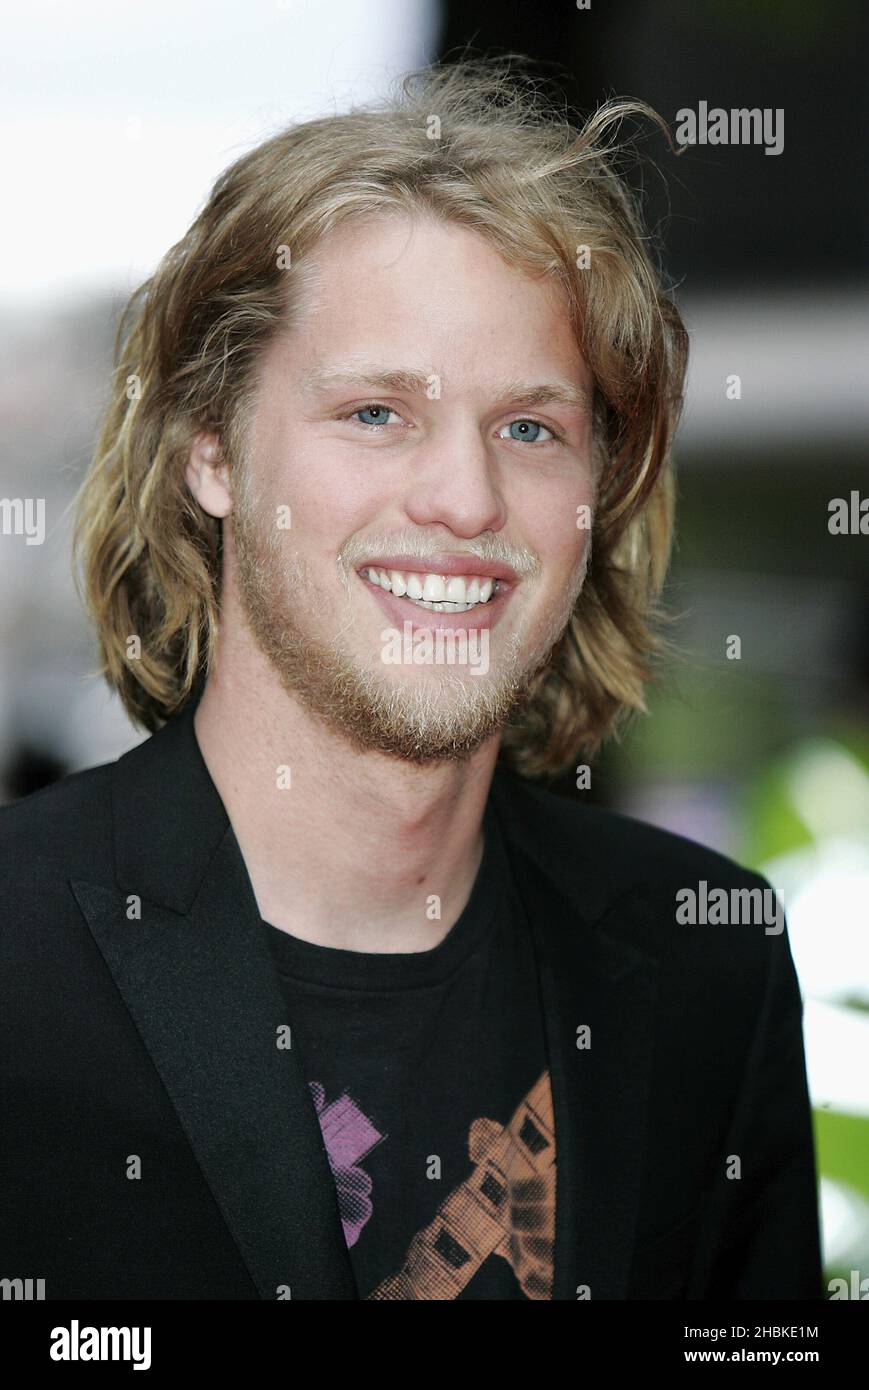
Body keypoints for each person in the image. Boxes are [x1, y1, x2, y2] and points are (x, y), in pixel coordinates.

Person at [0, 59, 822, 1300]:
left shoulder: (705, 963)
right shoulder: (18, 957)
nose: (464, 497)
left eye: (530, 426)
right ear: (208, 452)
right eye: (377, 412)